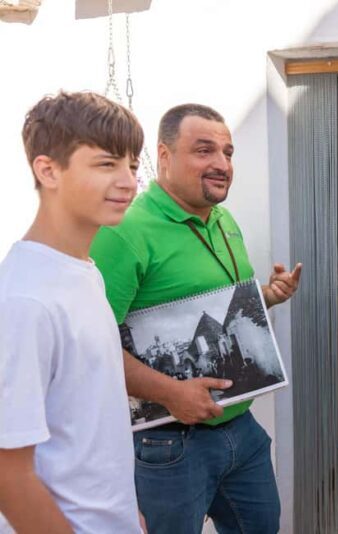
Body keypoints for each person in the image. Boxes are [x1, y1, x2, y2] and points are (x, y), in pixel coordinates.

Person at [90, 103, 301, 534]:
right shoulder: (123, 231)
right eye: (204, 151)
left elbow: (208, 306)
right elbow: (91, 345)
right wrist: (170, 391)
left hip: (241, 429)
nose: (222, 164)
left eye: (228, 152)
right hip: (169, 443)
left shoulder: (224, 221)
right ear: (164, 156)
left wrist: (266, 297)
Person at [0, 91, 143, 533]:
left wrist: (125, 514)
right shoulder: (25, 300)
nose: (128, 181)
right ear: (48, 170)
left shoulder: (83, 270)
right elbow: (8, 474)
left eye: (133, 166)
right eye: (106, 164)